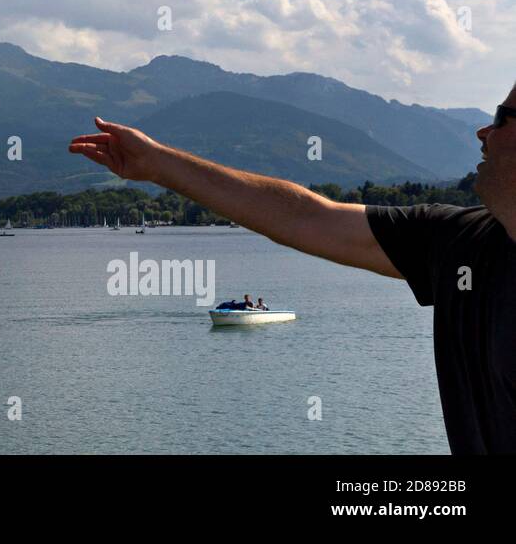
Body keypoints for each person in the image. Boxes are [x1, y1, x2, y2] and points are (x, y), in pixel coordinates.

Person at [70, 92, 516, 455]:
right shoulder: (459, 240)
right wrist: (160, 164)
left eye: (499, 119)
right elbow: (305, 217)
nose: (482, 132)